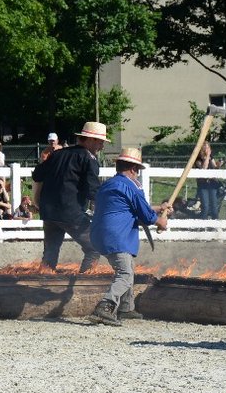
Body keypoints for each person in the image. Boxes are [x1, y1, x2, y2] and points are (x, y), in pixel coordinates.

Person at [86, 147, 169, 325]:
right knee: (125, 274)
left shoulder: (108, 185)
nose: (137, 174)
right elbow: (146, 217)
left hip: (99, 234)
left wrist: (159, 209)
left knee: (128, 267)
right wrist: (160, 221)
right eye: (137, 171)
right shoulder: (132, 186)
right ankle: (104, 307)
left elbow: (128, 208)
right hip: (117, 236)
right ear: (133, 169)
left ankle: (126, 308)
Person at [31, 121, 107, 272]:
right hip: (71, 212)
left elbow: (37, 175)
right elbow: (93, 191)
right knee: (95, 247)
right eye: (100, 142)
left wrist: (37, 201)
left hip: (49, 212)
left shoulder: (57, 154)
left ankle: (41, 284)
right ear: (91, 140)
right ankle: (84, 283)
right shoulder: (88, 159)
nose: (102, 146)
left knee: (50, 253)